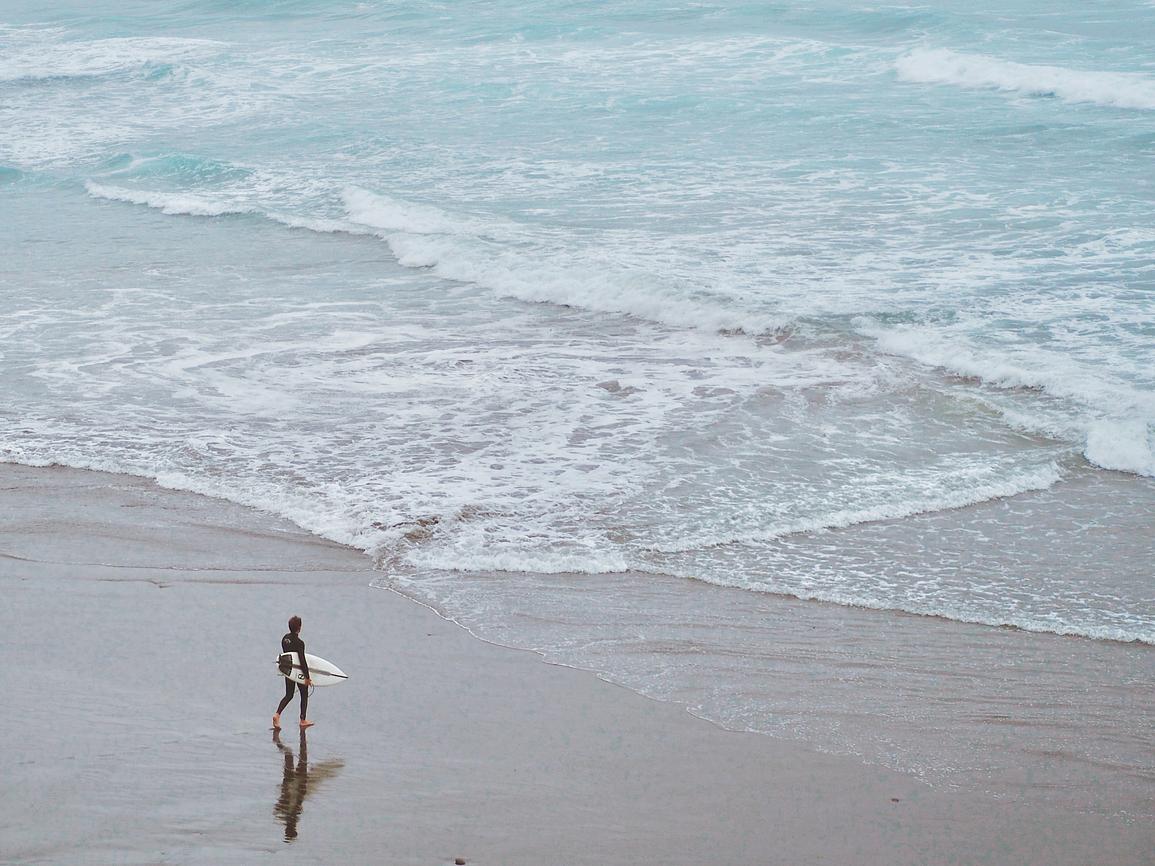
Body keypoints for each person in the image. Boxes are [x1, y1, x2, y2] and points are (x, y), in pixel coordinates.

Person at [273, 615, 314, 729]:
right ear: (299, 628)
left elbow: (287, 655)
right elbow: (302, 660)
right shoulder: (299, 643)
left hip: (288, 670)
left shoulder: (285, 639)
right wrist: (307, 677)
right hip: (298, 671)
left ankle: (277, 714)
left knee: (289, 694)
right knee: (304, 693)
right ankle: (303, 720)